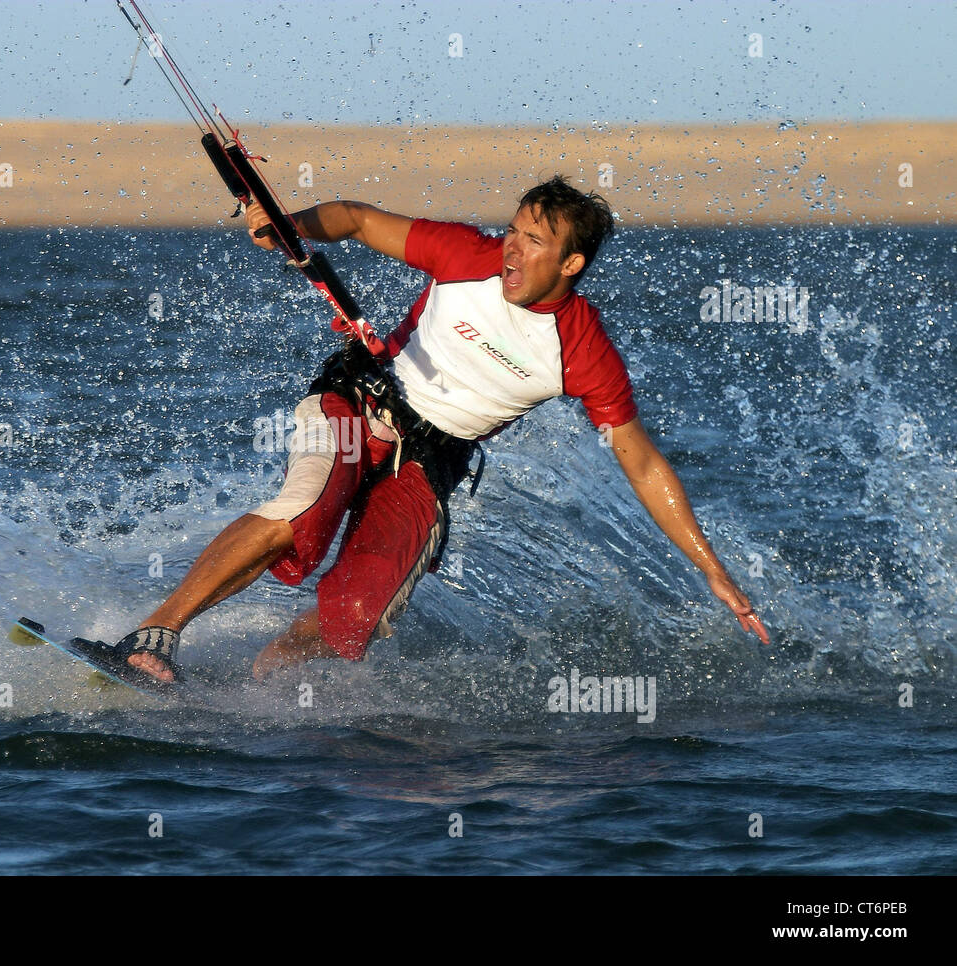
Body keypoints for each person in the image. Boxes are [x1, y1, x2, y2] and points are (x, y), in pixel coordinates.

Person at [109, 175, 770, 684]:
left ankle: (260, 684)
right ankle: (156, 634)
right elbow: (356, 219)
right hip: (357, 406)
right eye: (513, 230)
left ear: (570, 264)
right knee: (303, 515)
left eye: (533, 240)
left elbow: (644, 464)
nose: (511, 247)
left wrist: (712, 570)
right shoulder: (467, 255)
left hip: (427, 463)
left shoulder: (583, 350)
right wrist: (291, 226)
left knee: (357, 617)